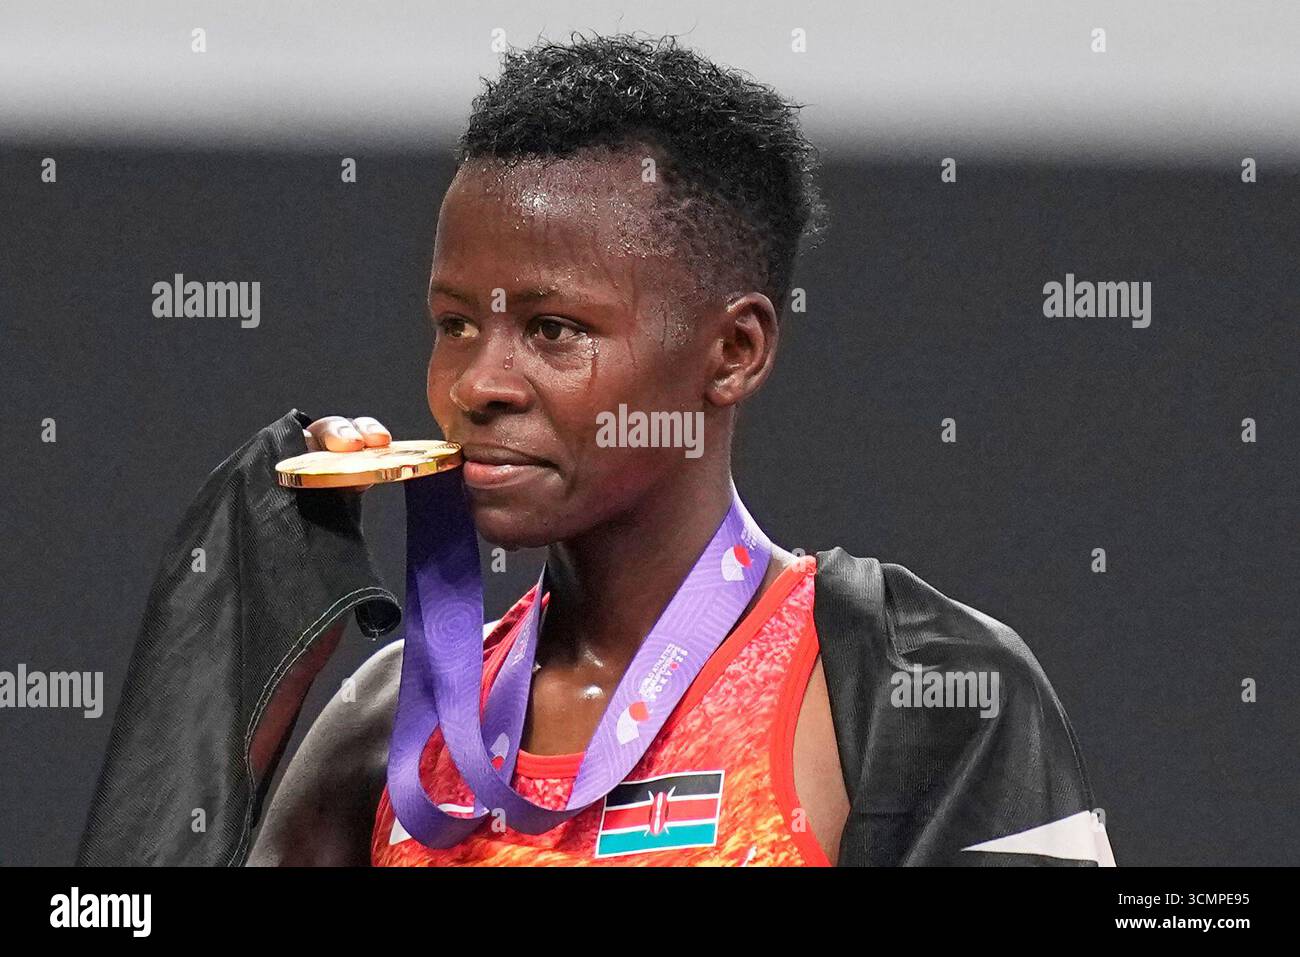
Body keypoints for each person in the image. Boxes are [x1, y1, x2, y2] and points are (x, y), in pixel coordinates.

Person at [82, 33, 1113, 868]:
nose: (478, 384)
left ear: (733, 350)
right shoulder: (390, 723)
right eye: (453, 324)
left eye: (553, 330)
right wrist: (239, 660)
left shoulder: (908, 688)